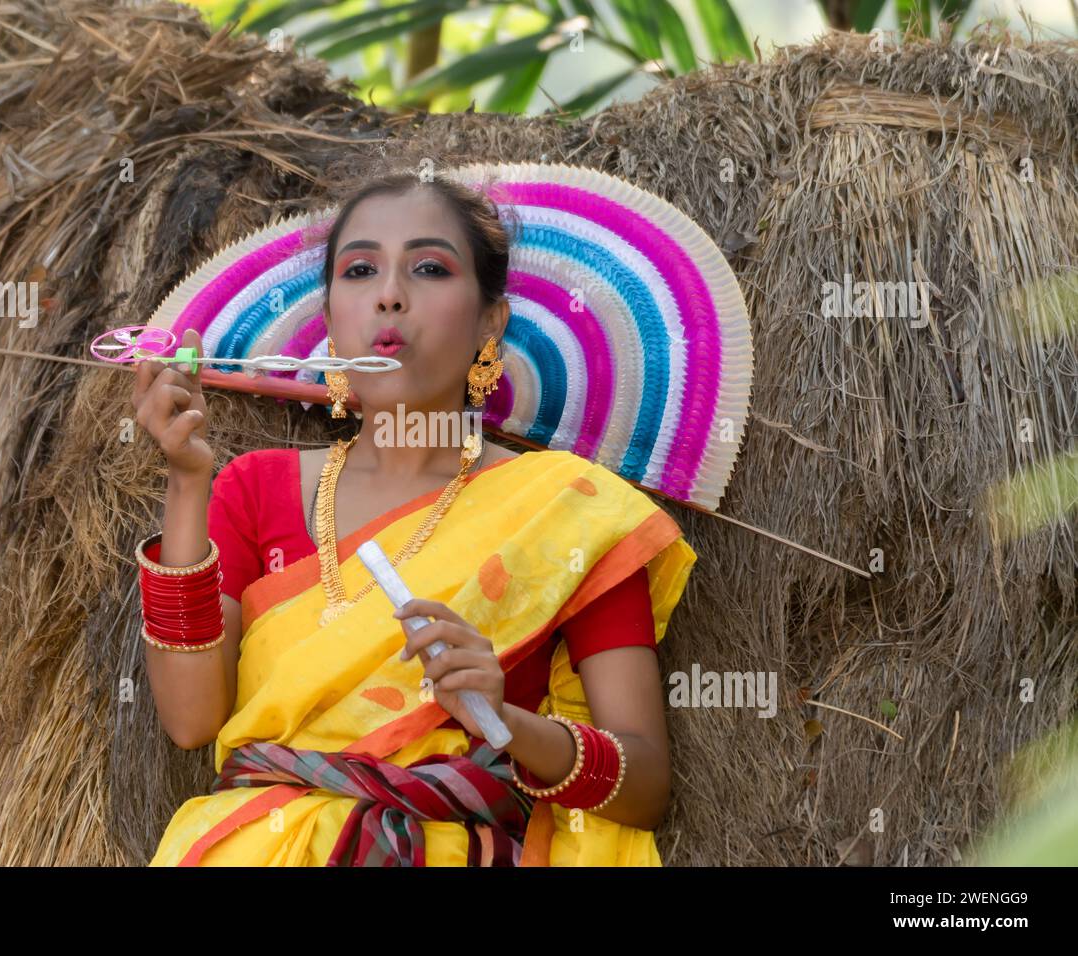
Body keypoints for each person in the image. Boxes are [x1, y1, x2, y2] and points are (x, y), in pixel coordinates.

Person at [134, 169, 697, 866]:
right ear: (333, 320)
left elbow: (645, 787)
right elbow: (191, 722)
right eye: (360, 269)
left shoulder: (568, 511)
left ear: (491, 321)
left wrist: (506, 722)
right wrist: (188, 484)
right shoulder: (253, 489)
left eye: (429, 268)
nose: (390, 294)